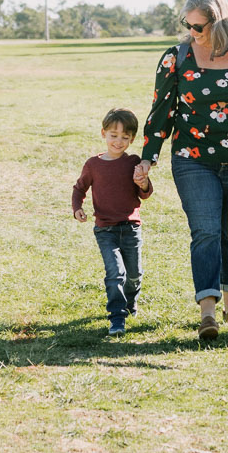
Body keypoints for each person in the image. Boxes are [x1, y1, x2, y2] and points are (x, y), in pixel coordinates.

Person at [136, 0, 228, 343]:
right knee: (206, 230)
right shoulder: (176, 57)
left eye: (199, 25)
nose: (192, 31)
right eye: (187, 24)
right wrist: (148, 156)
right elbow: (161, 109)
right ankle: (207, 311)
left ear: (219, 21)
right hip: (193, 158)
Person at [71, 107, 152, 336]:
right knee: (115, 273)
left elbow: (144, 193)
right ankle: (117, 318)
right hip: (105, 229)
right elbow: (79, 189)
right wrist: (78, 208)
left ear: (132, 139)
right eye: (113, 135)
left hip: (131, 227)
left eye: (125, 137)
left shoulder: (134, 162)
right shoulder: (93, 165)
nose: (118, 141)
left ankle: (130, 303)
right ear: (103, 133)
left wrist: (144, 182)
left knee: (134, 274)